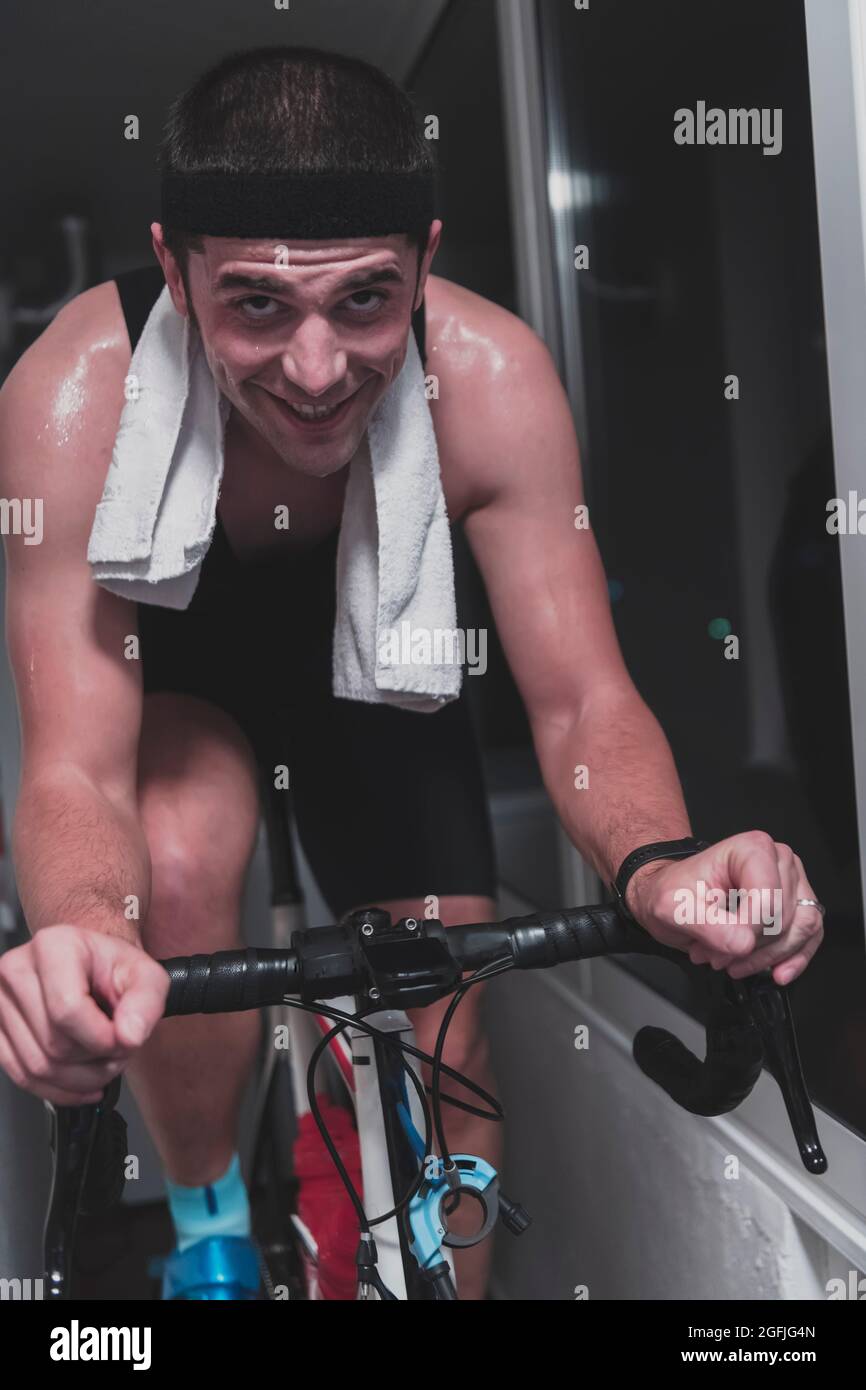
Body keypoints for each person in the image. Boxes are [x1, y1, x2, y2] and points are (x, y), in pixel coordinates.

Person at [0, 45, 824, 1301]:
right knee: (163, 871)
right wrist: (77, 942)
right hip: (176, 689)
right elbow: (72, 765)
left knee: (442, 1006)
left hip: (382, 674)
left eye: (367, 302)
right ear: (173, 270)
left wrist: (658, 864)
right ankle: (210, 1213)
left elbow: (581, 703)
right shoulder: (69, 393)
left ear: (426, 262)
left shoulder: (490, 382)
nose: (319, 371)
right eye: (259, 306)